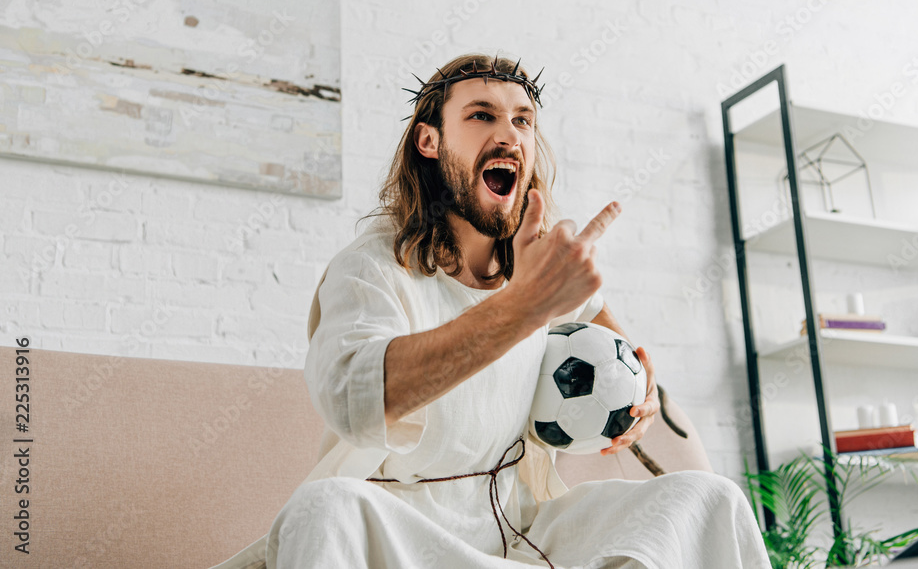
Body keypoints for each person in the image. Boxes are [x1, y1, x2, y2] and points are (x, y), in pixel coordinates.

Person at [214, 53, 770, 569]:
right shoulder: (371, 267)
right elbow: (355, 402)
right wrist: (526, 306)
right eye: (482, 116)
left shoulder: (536, 260)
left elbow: (627, 364)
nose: (509, 135)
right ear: (429, 142)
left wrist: (639, 398)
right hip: (404, 531)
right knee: (324, 507)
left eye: (524, 120)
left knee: (708, 498)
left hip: (520, 529)